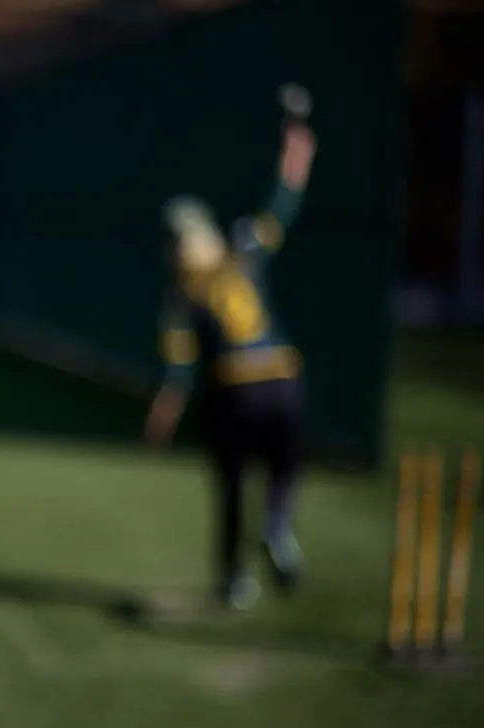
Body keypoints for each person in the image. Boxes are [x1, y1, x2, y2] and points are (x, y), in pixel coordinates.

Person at [144, 119, 317, 610]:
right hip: (281, 377)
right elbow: (279, 209)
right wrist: (296, 160)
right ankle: (277, 523)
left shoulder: (179, 295)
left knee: (234, 487)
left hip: (234, 390)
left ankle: (235, 579)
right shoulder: (243, 252)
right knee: (285, 467)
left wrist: (162, 418)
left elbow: (178, 369)